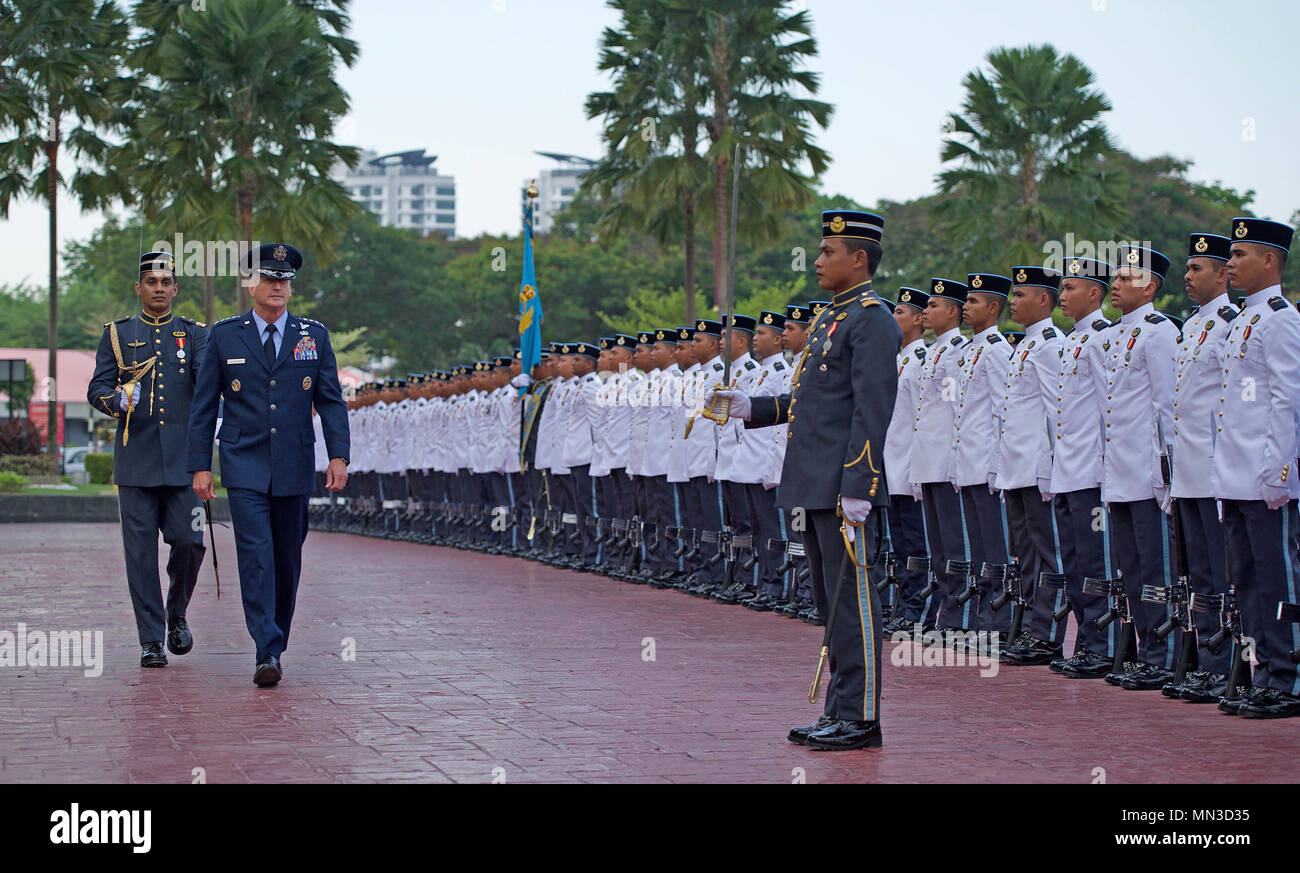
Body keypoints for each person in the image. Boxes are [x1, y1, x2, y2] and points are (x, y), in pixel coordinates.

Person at [713, 209, 900, 751]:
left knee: (853, 601)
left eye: (827, 252)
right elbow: (810, 403)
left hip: (843, 489)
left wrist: (859, 485)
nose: (817, 261)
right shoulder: (830, 318)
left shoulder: (872, 320)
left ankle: (861, 717)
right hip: (814, 482)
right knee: (828, 600)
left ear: (859, 259)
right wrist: (751, 406)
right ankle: (840, 709)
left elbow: (872, 410)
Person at [188, 243, 350, 687]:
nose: (278, 286)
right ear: (252, 284)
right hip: (243, 464)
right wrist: (200, 465)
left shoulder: (312, 336)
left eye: (285, 280)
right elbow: (204, 407)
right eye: (270, 278)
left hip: (294, 464)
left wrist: (338, 455)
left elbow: (331, 402)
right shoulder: (224, 335)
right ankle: (267, 648)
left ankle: (275, 642)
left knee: (286, 560)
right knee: (256, 557)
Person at [88, 252, 208, 668]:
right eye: (151, 281)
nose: (159, 288)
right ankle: (151, 640)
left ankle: (177, 614)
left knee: (191, 542)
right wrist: (114, 400)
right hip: (135, 461)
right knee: (140, 555)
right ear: (138, 287)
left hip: (184, 464)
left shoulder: (194, 335)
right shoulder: (118, 334)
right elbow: (97, 386)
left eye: (166, 282)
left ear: (175, 288)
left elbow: (208, 390)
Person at [1212, 217, 1300, 718]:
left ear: (1269, 261)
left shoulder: (1282, 318)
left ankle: (1289, 677)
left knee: (1278, 577)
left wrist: (1279, 471)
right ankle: (1264, 673)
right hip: (1236, 475)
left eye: (1241, 255)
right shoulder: (1245, 319)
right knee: (1246, 578)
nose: (1231, 263)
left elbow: (1288, 400)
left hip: (1268, 477)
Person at [1165, 233, 1237, 700]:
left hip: (1216, 470)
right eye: (1187, 269)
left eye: (1197, 269)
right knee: (1199, 575)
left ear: (1223, 273)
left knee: (1224, 571)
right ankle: (1206, 662)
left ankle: (1229, 663)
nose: (1188, 277)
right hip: (1186, 470)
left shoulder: (1231, 323)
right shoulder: (1191, 327)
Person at [1044, 259, 1117, 679]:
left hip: (1091, 469)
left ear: (1094, 293)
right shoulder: (1073, 340)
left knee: (1094, 562)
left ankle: (1102, 645)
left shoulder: (1103, 339)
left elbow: (1110, 409)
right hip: (1067, 469)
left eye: (1070, 288)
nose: (1063, 295)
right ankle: (1087, 641)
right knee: (1073, 561)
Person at [910, 277, 971, 635]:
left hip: (947, 461)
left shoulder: (960, 350)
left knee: (955, 545)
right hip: (928, 461)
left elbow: (957, 412)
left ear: (952, 312)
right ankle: (946, 615)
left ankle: (959, 618)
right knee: (939, 548)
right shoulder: (933, 352)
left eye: (934, 305)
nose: (927, 311)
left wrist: (953, 461)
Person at [881, 287, 930, 634]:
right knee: (900, 544)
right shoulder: (897, 360)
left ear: (918, 319)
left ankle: (916, 609)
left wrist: (916, 470)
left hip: (912, 468)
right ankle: (903, 604)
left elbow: (922, 421)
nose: (892, 318)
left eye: (899, 312)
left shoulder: (923, 358)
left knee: (916, 544)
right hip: (891, 466)